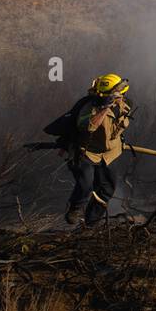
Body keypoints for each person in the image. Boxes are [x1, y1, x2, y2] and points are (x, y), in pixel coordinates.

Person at [43, 74, 133, 226]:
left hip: (110, 154)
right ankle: (75, 209)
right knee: (86, 185)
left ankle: (91, 223)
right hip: (86, 152)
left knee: (106, 189)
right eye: (118, 95)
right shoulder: (90, 107)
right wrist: (104, 108)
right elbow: (88, 126)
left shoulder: (126, 105)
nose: (121, 97)